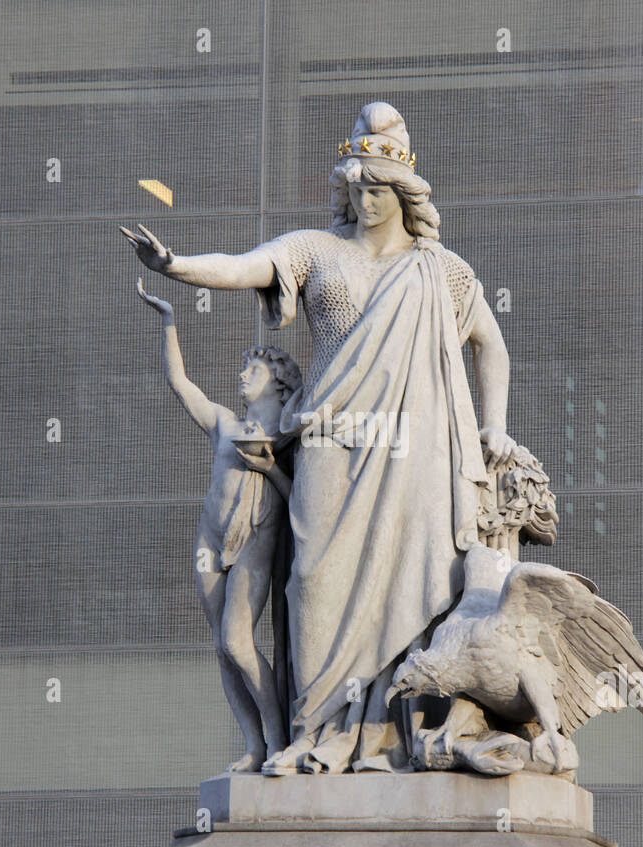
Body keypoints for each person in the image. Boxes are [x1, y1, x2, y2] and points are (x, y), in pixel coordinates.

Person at [129, 102, 516, 774]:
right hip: (332, 438)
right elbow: (243, 266)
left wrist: (495, 423)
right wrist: (175, 265)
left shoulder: (440, 269)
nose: (363, 200)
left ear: (401, 193)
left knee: (419, 582)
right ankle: (312, 733)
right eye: (354, 188)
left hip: (416, 446)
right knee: (310, 581)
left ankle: (390, 731)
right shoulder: (317, 250)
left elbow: (493, 347)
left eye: (376, 188)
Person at [135, 278, 299, 773]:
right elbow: (180, 384)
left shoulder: (289, 431)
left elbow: (303, 507)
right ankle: (253, 746)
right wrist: (169, 322)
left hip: (253, 543)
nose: (242, 373)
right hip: (209, 541)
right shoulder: (225, 423)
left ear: (277, 380)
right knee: (222, 651)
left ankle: (278, 741)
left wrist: (270, 468)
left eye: (253, 368)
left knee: (237, 642)